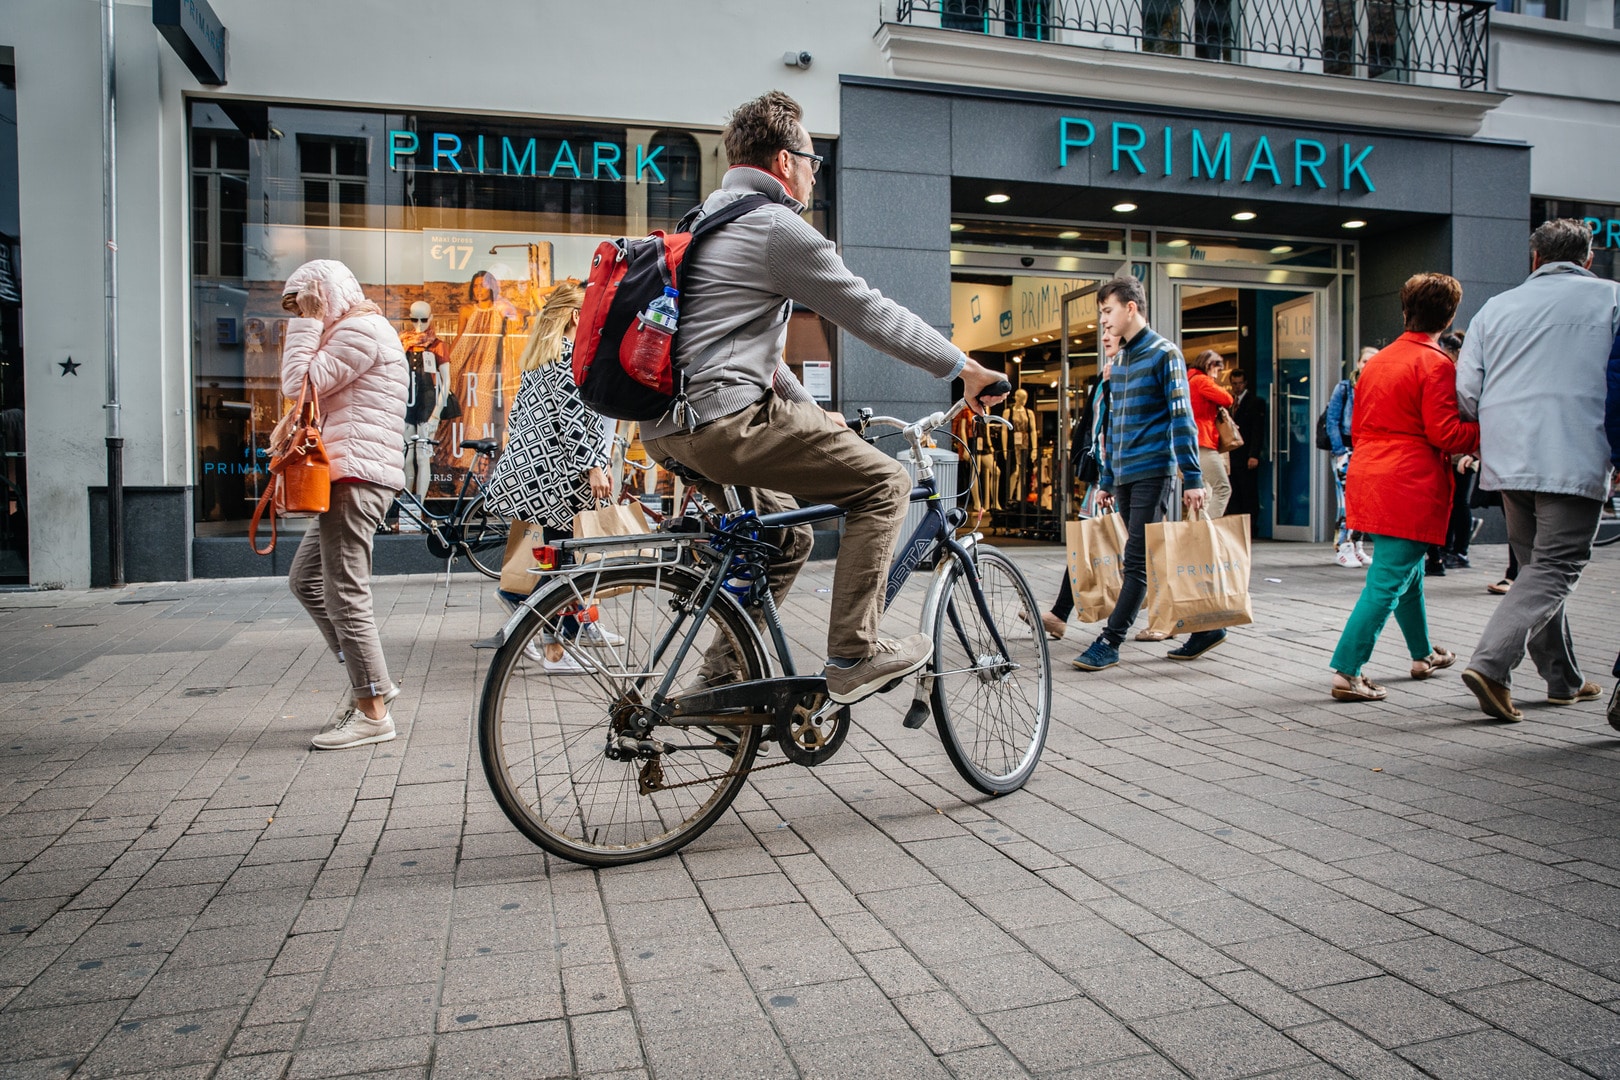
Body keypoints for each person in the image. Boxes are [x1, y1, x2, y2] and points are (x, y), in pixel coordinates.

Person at [639, 90, 1006, 706]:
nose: (815, 171)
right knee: (885, 485)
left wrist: (806, 413)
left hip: (667, 430)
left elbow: (747, 351)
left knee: (786, 538)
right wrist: (961, 366)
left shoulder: (703, 220)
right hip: (725, 423)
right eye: (813, 159)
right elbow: (867, 311)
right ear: (785, 161)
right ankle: (853, 655)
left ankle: (722, 677)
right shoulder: (777, 227)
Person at [1457, 219, 1620, 723]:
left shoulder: (1495, 308)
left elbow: (1466, 394)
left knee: (1536, 572)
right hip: (1575, 451)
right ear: (1588, 259)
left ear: (1534, 259)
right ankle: (1490, 664)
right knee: (1557, 568)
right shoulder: (1612, 299)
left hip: (1509, 458)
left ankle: (1562, 679)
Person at [1328, 274, 1478, 703]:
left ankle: (1423, 653)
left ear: (1404, 311)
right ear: (1449, 317)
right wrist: (1486, 430)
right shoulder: (1436, 363)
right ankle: (1347, 670)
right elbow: (1446, 433)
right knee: (1388, 580)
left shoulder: (1377, 362)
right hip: (1410, 482)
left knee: (1406, 573)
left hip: (1370, 475)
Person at [279, 259, 409, 750]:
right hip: (348, 474)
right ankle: (369, 682)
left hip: (355, 477)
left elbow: (299, 385)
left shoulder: (361, 331)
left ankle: (373, 709)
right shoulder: (355, 331)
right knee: (305, 580)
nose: (301, 313)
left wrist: (308, 324)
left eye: (306, 302)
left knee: (344, 593)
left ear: (326, 293)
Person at [1071, 275, 1217, 671]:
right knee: (1153, 556)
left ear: (1130, 308)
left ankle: (1110, 641)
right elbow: (1114, 427)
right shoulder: (1117, 362)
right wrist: (1107, 480)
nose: (1103, 320)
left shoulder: (1164, 354)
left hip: (1156, 470)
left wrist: (1193, 478)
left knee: (1135, 560)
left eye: (1108, 311)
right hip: (1127, 475)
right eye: (1101, 313)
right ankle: (1206, 625)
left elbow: (1182, 418)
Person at [479, 281, 616, 673]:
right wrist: (594, 465)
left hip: (535, 477)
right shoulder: (571, 359)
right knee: (572, 563)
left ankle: (518, 600)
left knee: (560, 558)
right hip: (562, 479)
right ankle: (555, 647)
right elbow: (574, 421)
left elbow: (523, 421)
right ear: (576, 316)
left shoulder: (539, 360)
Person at [1039, 329, 1119, 641]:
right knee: (1086, 548)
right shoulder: (1105, 376)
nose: (1106, 334)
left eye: (1112, 327)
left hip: (1123, 477)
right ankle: (1059, 614)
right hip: (1103, 477)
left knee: (1136, 551)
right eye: (1104, 328)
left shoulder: (1131, 374)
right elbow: (1095, 427)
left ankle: (1170, 613)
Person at [398, 300, 449, 515]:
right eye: (414, 319)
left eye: (423, 319)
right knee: (406, 455)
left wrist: (437, 413)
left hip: (428, 403)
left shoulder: (438, 345)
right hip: (408, 402)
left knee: (422, 455)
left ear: (431, 318)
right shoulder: (402, 343)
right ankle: (407, 501)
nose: (418, 325)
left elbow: (446, 382)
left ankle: (418, 504)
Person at [1328, 348, 1375, 569]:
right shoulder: (1345, 388)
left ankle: (1357, 544)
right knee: (1346, 502)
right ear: (1357, 362)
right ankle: (1343, 546)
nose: (1368, 365)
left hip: (1368, 451)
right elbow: (1332, 420)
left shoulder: (1378, 387)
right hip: (1346, 449)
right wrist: (1339, 452)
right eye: (1365, 361)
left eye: (1373, 361)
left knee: (1365, 502)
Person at [1186, 350, 1234, 518]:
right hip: (1203, 441)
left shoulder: (1189, 380)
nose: (1217, 375)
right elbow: (1227, 399)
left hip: (1191, 442)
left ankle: (1194, 535)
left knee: (1202, 494)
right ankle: (1209, 531)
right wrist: (1212, 381)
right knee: (1223, 488)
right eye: (1217, 370)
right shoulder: (1202, 381)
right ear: (1210, 365)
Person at [1226, 366, 1267, 528]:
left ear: (1246, 383)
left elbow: (1258, 430)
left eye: (1240, 383)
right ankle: (1236, 528)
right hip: (1232, 455)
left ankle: (1251, 527)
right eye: (1234, 383)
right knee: (1233, 492)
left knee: (1248, 493)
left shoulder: (1255, 402)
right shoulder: (1229, 402)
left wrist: (1254, 454)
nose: (1237, 387)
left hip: (1246, 454)